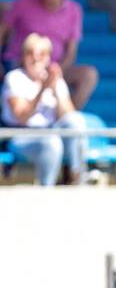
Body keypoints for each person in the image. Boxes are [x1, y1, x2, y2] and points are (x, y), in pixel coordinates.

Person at [0, 0, 98, 110]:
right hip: (23, 63)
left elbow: (71, 51)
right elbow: (2, 30)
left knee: (89, 75)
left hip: (53, 65)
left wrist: (57, 72)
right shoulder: (22, 2)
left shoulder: (74, 10)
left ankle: (66, 120)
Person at [2, 33, 88, 186]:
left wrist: (55, 89)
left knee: (76, 121)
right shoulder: (14, 78)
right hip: (20, 136)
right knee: (51, 141)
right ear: (23, 57)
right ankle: (47, 191)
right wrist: (42, 90)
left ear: (48, 58)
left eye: (41, 54)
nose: (36, 58)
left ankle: (76, 177)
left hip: (50, 131)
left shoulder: (54, 79)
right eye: (30, 53)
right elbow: (21, 116)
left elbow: (69, 116)